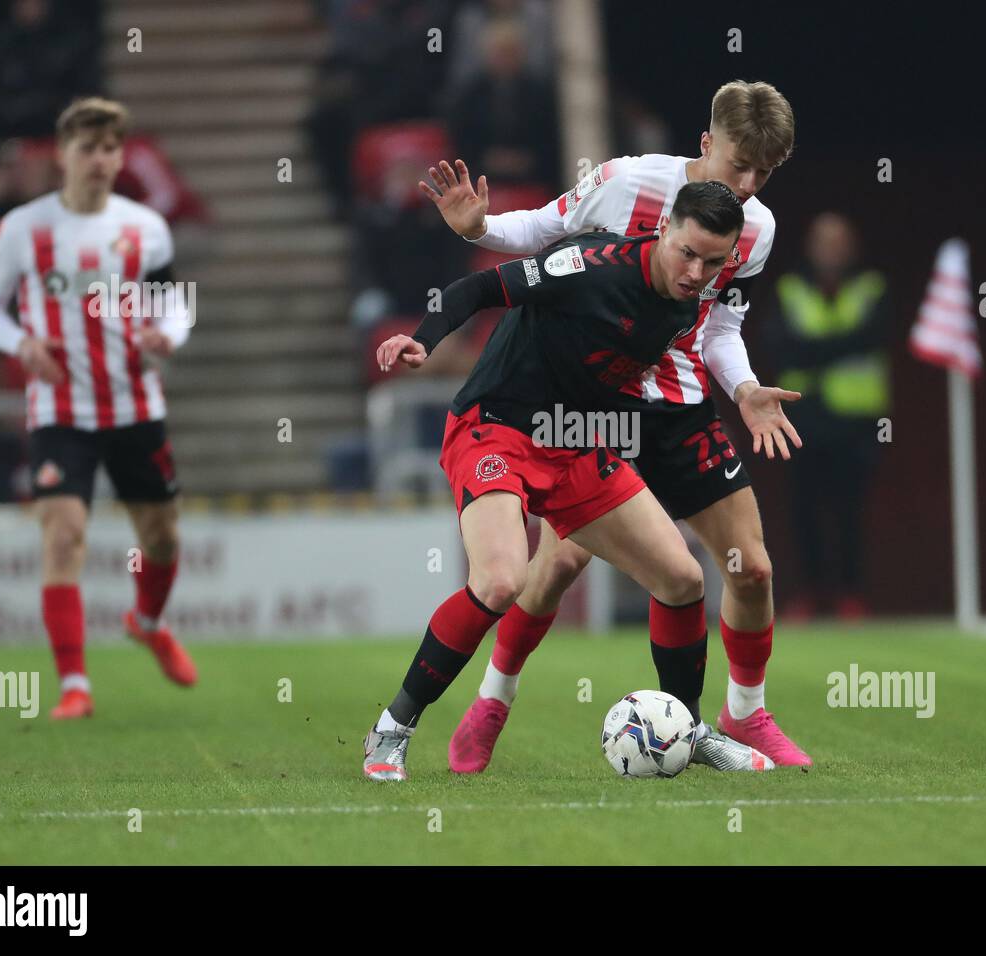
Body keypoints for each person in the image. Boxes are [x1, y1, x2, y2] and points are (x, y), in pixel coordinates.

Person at [420, 79, 813, 773]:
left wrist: (746, 388)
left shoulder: (759, 229)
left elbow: (721, 329)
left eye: (766, 171)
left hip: (683, 405)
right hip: (600, 403)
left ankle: (744, 717)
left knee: (749, 568)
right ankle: (492, 700)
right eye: (739, 163)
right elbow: (541, 232)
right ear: (705, 143)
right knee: (557, 564)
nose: (750, 183)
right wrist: (479, 229)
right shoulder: (627, 182)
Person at [364, 182, 776, 781]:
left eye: (714, 262)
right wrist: (420, 341)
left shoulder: (690, 302)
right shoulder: (591, 265)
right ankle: (392, 730)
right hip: (496, 427)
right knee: (503, 580)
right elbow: (480, 287)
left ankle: (686, 731)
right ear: (663, 231)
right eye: (687, 253)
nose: (697, 271)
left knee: (683, 579)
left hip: (577, 437)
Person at [0, 97, 195, 719]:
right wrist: (21, 343)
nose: (100, 159)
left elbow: (175, 302)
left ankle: (147, 621)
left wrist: (165, 338)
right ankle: (75, 685)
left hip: (134, 403)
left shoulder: (144, 227)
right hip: (59, 410)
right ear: (63, 153)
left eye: (110, 149)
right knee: (63, 533)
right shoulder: (24, 228)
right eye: (88, 148)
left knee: (164, 538)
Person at [769, 213, 890, 620]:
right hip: (803, 416)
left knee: (850, 509)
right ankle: (809, 594)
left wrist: (814, 348)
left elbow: (873, 338)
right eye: (824, 241)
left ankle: (851, 595)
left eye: (840, 241)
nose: (832, 250)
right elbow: (780, 346)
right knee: (803, 508)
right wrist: (840, 345)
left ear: (852, 247)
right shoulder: (789, 289)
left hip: (856, 419)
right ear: (810, 246)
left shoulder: (871, 287)